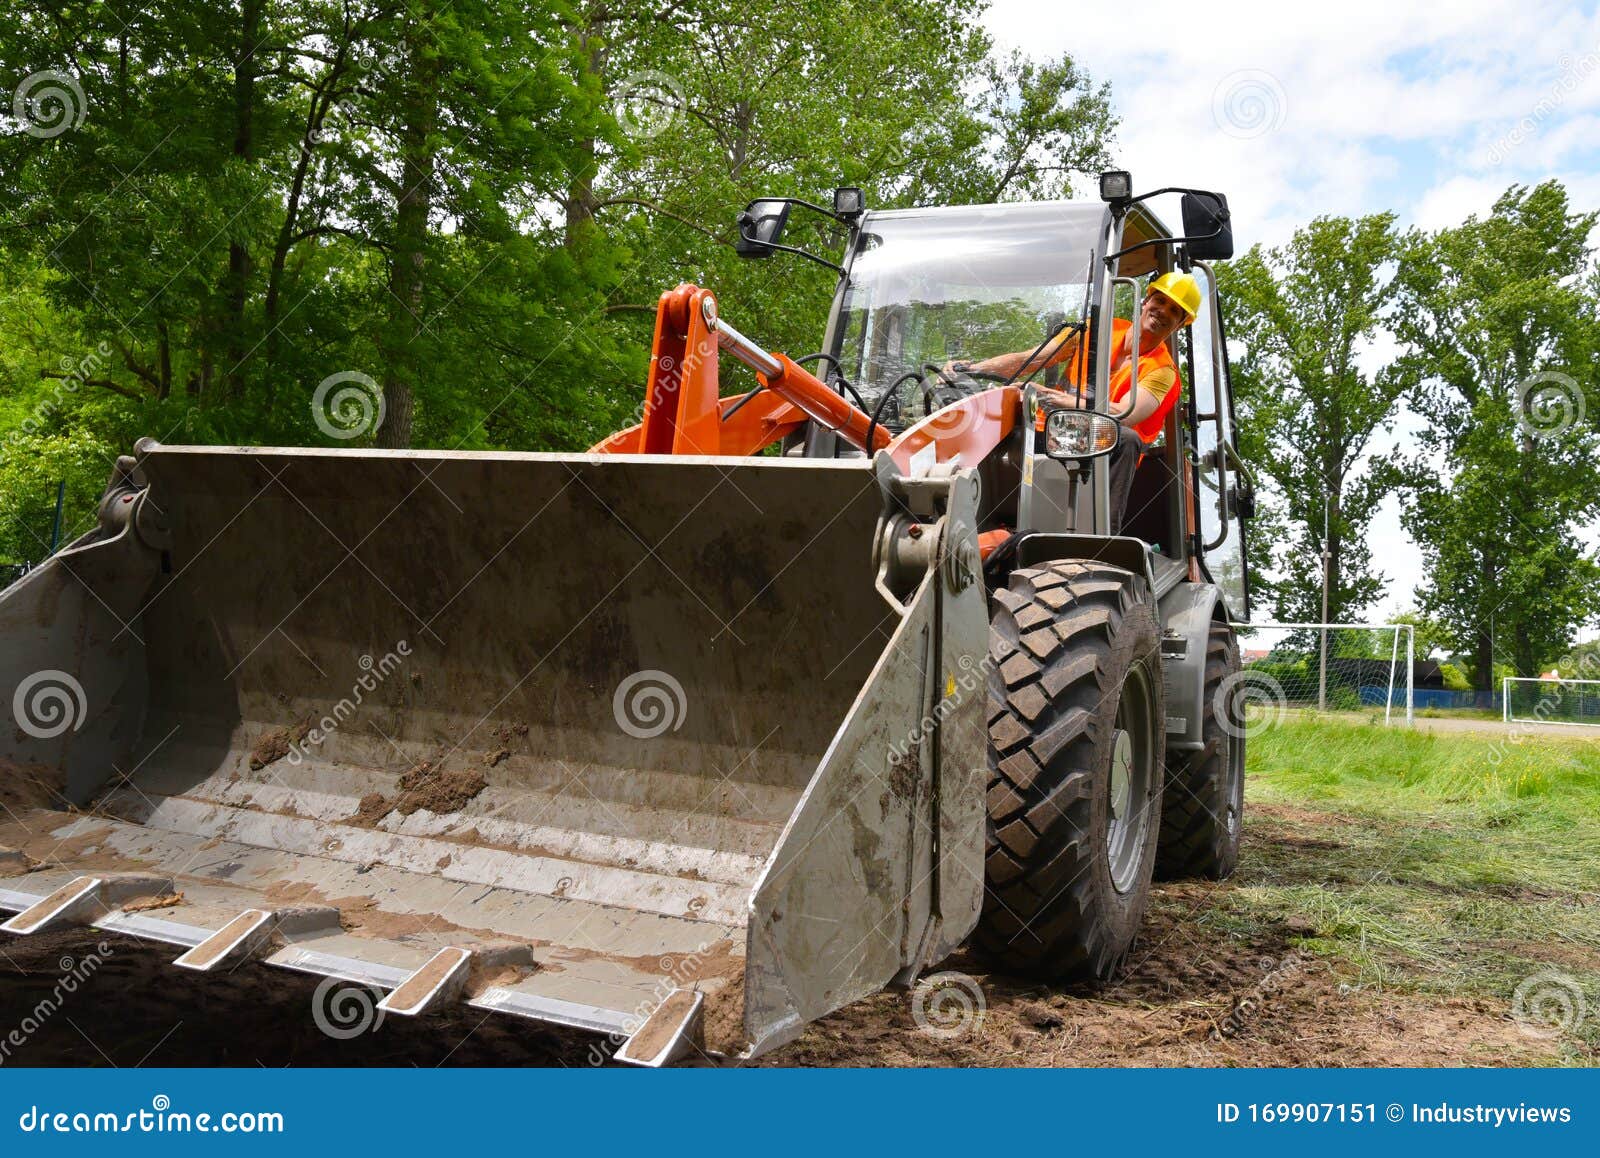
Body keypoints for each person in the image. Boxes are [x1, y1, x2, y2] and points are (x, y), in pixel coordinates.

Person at [954, 271, 1202, 534]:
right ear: (1145, 299)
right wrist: (968, 369)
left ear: (1181, 323)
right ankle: (972, 519)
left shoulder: (1162, 371)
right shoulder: (1096, 330)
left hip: (1102, 450)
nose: (1163, 311)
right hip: (1052, 430)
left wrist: (1050, 397)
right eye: (1160, 300)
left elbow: (1125, 413)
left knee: (1126, 437)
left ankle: (1102, 539)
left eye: (1174, 310)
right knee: (994, 416)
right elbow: (1029, 360)